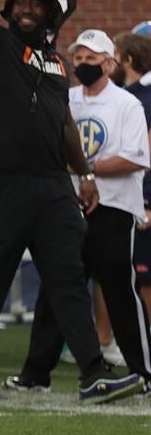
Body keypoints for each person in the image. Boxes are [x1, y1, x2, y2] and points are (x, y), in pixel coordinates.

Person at [0, 0, 145, 403]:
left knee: (68, 278)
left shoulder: (56, 63)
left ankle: (93, 373)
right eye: (22, 3)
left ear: (50, 14)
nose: (29, 10)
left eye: (38, 4)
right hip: (4, 181)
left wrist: (85, 173)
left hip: (54, 186)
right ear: (11, 9)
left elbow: (66, 124)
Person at [5, 29, 151, 392]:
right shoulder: (66, 97)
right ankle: (36, 373)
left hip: (113, 209)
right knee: (56, 292)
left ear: (110, 62)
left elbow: (135, 159)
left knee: (119, 293)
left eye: (92, 58)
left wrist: (82, 168)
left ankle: (144, 372)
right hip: (66, 209)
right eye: (79, 58)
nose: (83, 64)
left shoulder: (127, 104)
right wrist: (75, 170)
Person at [113, 31, 151, 318]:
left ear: (127, 59)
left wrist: (148, 201)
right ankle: (107, 339)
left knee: (145, 278)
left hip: (140, 201)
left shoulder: (142, 99)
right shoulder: (121, 96)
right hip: (120, 199)